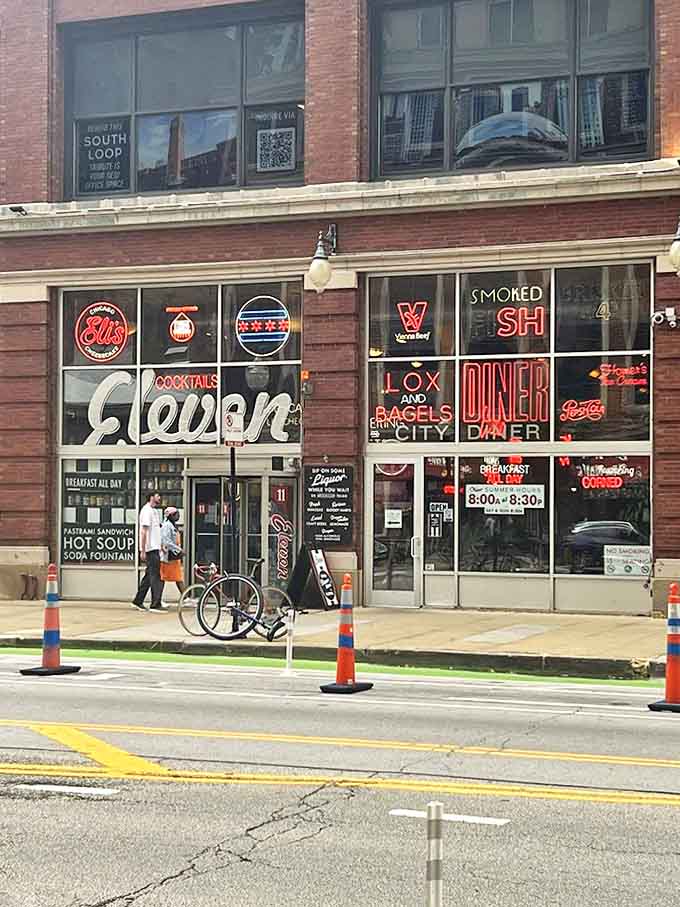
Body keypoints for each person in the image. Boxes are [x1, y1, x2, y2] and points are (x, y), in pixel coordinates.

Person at [132, 491, 166, 612]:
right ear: (151, 498)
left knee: (148, 576)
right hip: (150, 548)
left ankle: (138, 600)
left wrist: (161, 545)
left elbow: (156, 531)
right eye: (158, 496)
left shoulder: (154, 511)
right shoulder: (146, 511)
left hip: (155, 547)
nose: (160, 498)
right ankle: (155, 604)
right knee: (155, 576)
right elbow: (143, 531)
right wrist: (142, 549)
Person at [160, 506, 184, 595]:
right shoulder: (167, 525)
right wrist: (179, 550)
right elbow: (166, 541)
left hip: (173, 556)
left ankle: (158, 599)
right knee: (174, 578)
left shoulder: (172, 525)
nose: (178, 516)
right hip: (168, 557)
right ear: (171, 515)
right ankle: (185, 597)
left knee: (174, 578)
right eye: (177, 514)